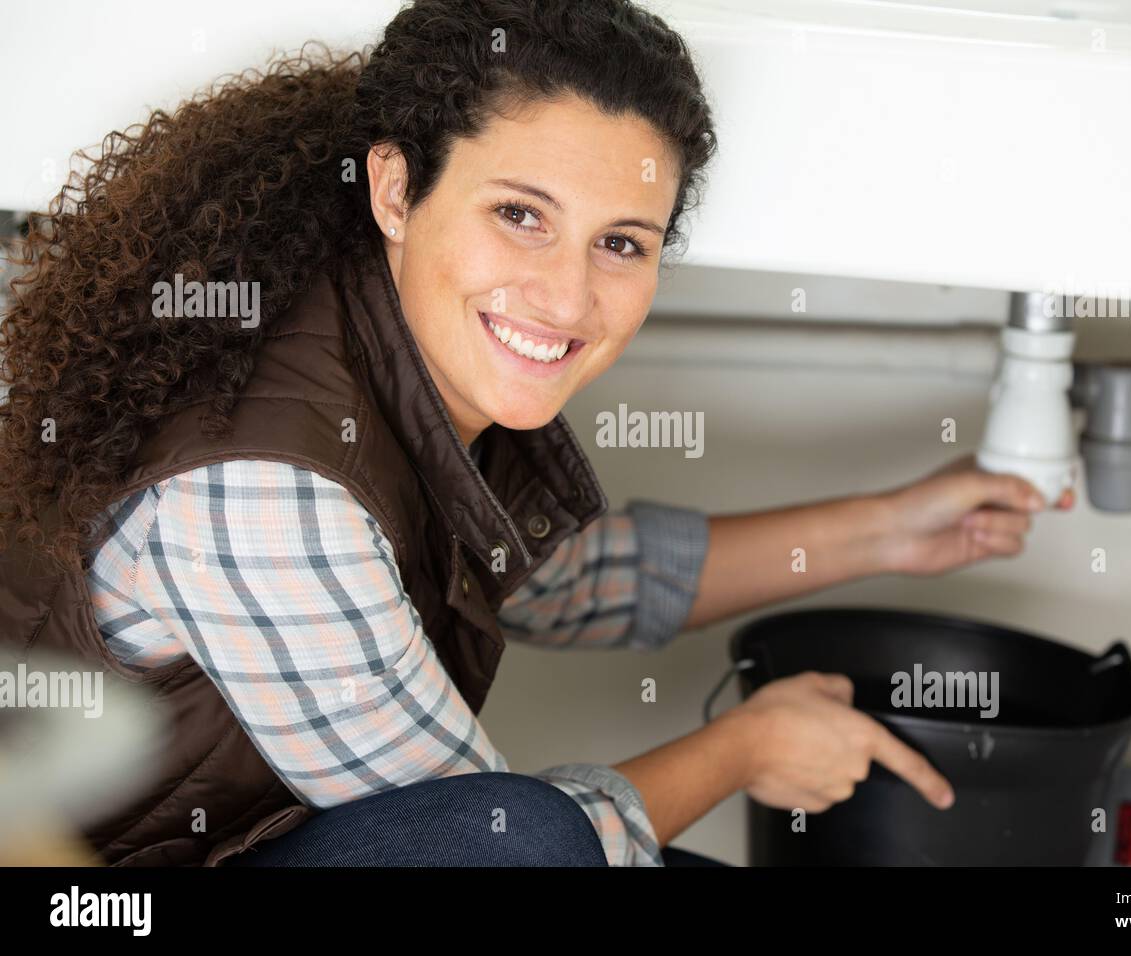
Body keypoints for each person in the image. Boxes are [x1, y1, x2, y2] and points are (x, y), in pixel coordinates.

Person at [0, 0, 1071, 867]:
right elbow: (496, 840)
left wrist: (892, 527)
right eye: (520, 213)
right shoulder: (266, 485)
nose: (565, 297)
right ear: (395, 188)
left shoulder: (389, 344)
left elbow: (555, 579)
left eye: (620, 242)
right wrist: (744, 745)